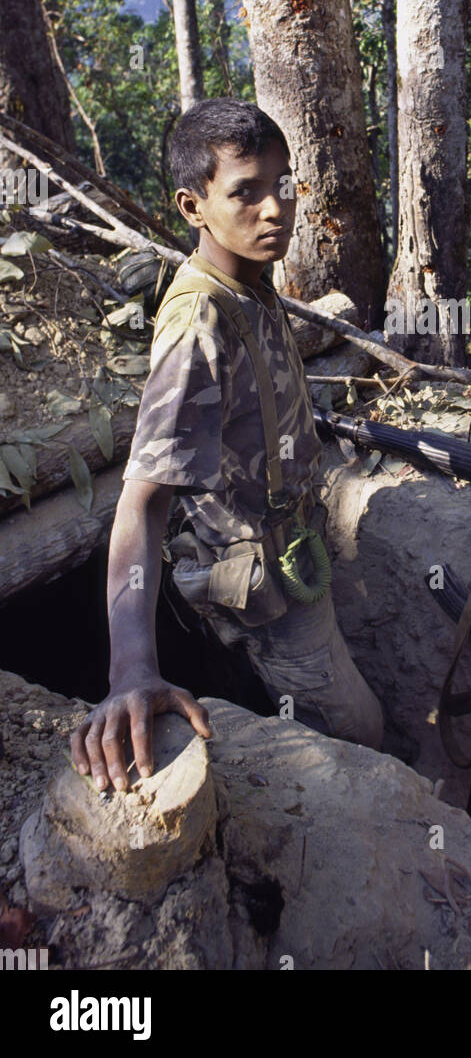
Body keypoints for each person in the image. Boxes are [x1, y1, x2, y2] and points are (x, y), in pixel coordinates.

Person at [71, 99, 384, 793]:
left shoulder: (248, 282)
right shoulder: (199, 325)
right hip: (258, 589)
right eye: (244, 191)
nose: (275, 208)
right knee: (361, 736)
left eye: (284, 183)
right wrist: (132, 673)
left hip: (293, 551)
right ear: (194, 206)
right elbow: (143, 502)